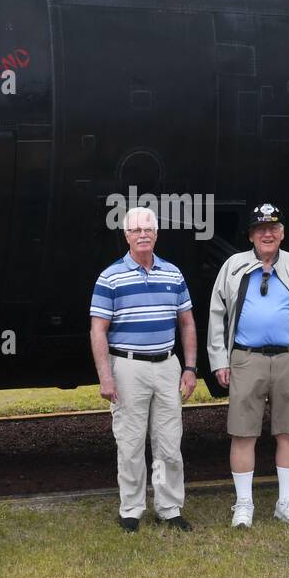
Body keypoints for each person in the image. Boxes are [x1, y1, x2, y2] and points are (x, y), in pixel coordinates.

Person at [208, 203, 289, 528]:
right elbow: (217, 316)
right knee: (243, 434)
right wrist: (220, 359)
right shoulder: (233, 266)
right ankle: (244, 504)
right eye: (261, 229)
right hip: (246, 358)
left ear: (283, 233)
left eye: (273, 228)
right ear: (251, 235)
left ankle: (285, 503)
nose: (267, 234)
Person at [90, 207, 198, 532]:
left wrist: (190, 367)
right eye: (135, 230)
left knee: (168, 443)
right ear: (126, 235)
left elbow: (187, 324)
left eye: (148, 229)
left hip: (166, 365)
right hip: (127, 366)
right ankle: (132, 510)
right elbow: (98, 330)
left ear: (156, 234)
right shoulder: (110, 277)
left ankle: (168, 507)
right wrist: (105, 376)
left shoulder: (173, 274)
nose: (142, 235)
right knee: (131, 443)